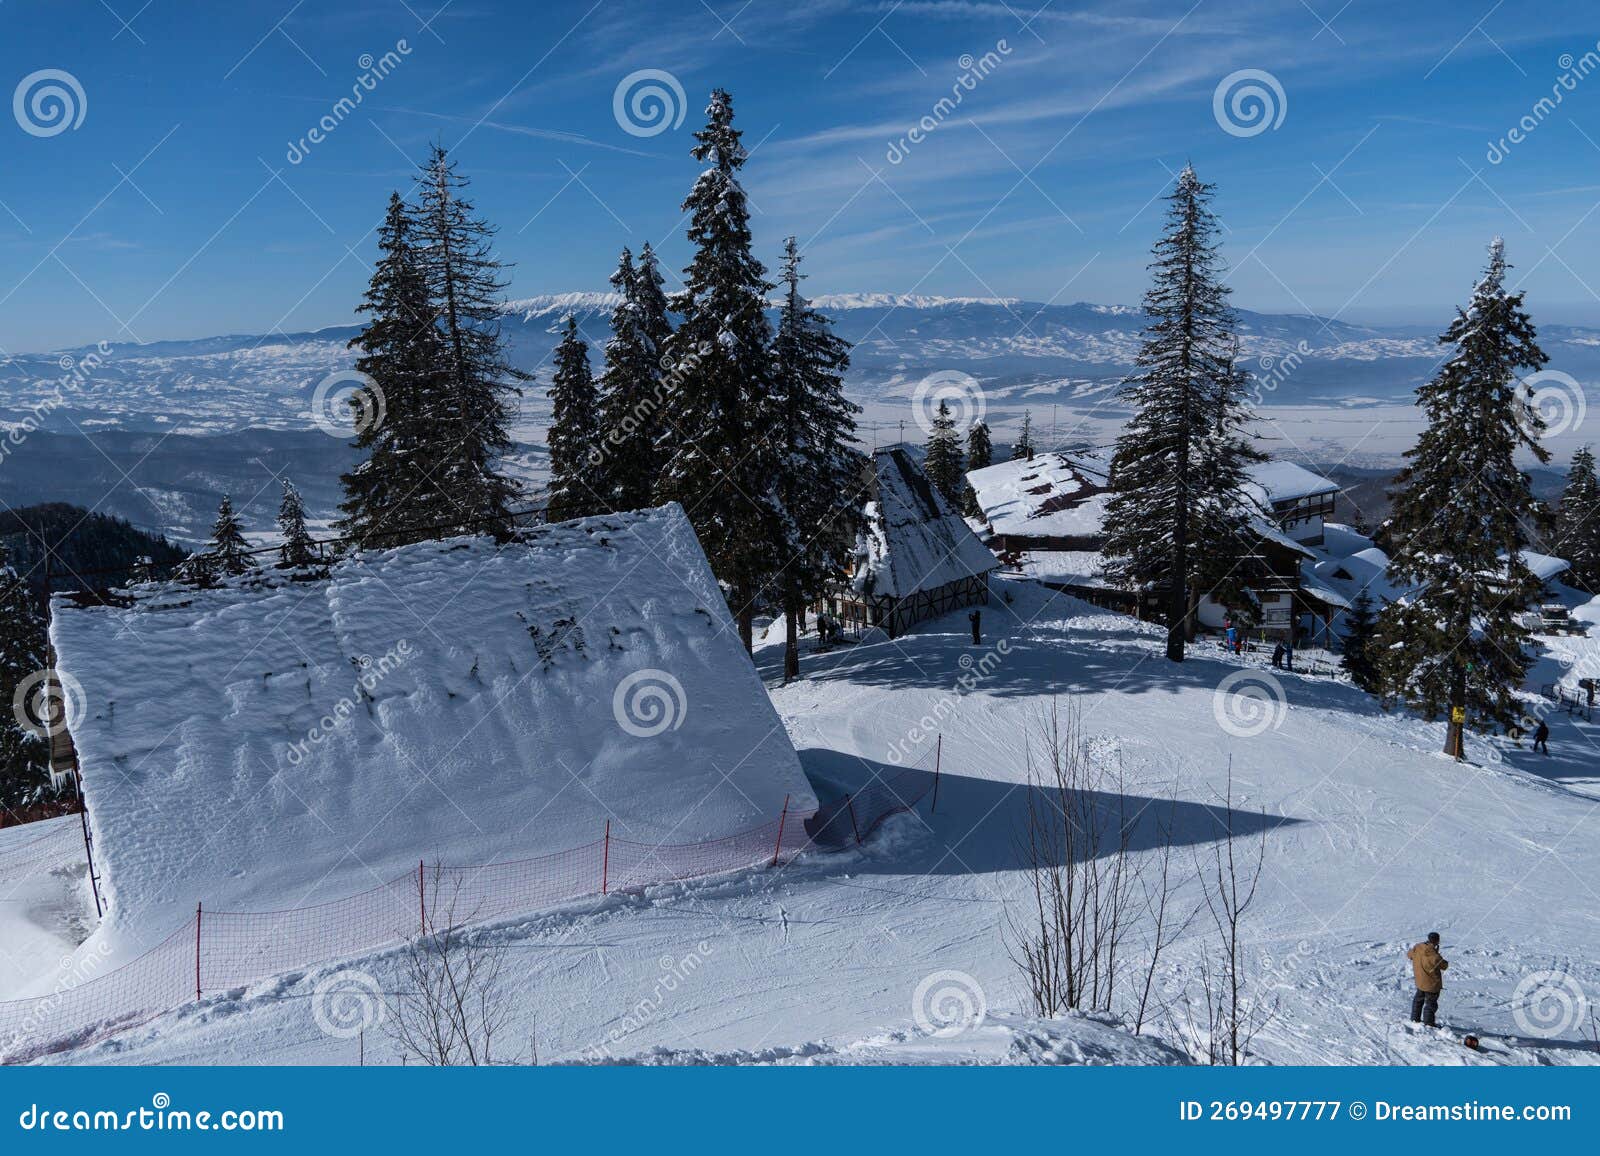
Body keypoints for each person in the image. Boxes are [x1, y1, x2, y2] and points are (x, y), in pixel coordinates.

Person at [1406, 932, 1448, 1026]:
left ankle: (1415, 1019)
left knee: (1418, 1000)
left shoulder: (1418, 947)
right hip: (1431, 985)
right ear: (1437, 941)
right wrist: (1436, 953)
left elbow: (1409, 955)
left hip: (1420, 981)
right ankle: (1429, 1024)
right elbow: (1444, 966)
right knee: (1430, 1004)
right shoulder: (1434, 956)